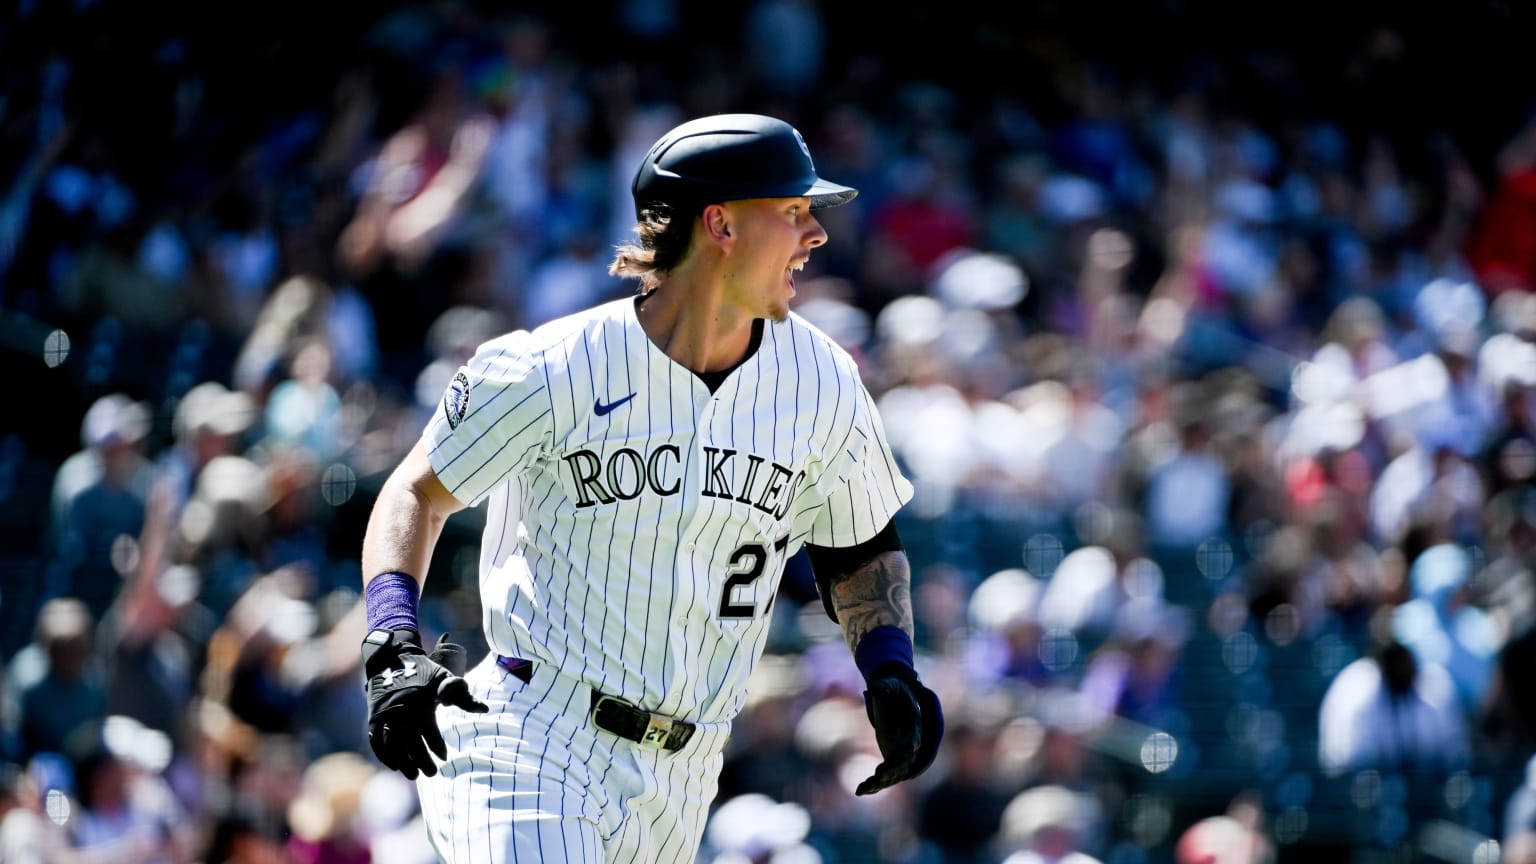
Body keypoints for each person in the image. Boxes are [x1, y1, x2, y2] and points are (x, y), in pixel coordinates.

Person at [357, 112, 943, 862]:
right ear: (720, 223)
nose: (815, 234)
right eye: (793, 211)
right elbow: (417, 491)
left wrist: (889, 666)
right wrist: (390, 637)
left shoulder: (822, 380)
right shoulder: (554, 366)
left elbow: (860, 544)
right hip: (535, 736)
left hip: (687, 772)